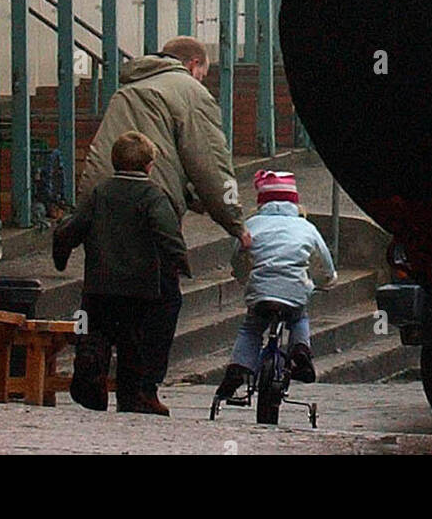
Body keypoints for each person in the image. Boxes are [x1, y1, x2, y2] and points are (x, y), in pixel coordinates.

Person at [78, 37, 250, 395]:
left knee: (103, 295)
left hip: (102, 203)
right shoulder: (189, 92)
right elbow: (209, 165)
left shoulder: (128, 90)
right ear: (193, 65)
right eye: (203, 72)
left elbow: (160, 160)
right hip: (151, 210)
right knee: (160, 302)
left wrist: (78, 221)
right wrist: (234, 221)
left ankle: (91, 366)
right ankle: (141, 389)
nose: (202, 80)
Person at [54, 131, 191, 415]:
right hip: (140, 289)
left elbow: (73, 227)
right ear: (149, 165)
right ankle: (136, 394)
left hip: (98, 287)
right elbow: (167, 231)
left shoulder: (100, 192)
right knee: (135, 345)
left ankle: (92, 376)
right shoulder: (153, 194)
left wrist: (62, 254)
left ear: (114, 162)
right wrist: (180, 261)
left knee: (95, 333)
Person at [214, 170, 337, 400]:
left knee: (251, 328)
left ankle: (238, 368)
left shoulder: (250, 225)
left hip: (260, 291)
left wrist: (243, 278)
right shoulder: (306, 228)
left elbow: (238, 257)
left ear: (262, 202)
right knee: (299, 316)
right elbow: (324, 262)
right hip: (294, 291)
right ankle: (301, 351)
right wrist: (327, 281)